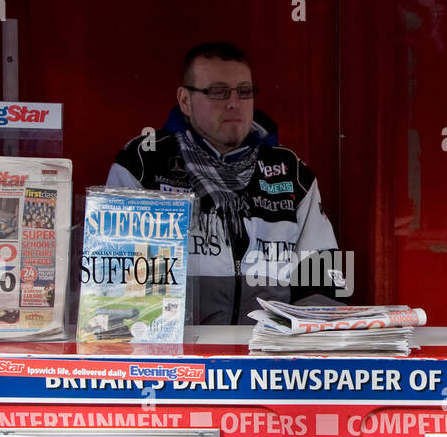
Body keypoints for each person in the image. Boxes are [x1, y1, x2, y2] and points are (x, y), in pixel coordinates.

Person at [107, 42, 340, 324]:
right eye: (218, 92)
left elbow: (326, 278)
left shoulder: (291, 173)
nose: (234, 102)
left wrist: (302, 343)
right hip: (178, 353)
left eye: (244, 91)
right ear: (185, 101)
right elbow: (114, 281)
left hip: (268, 355)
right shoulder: (144, 165)